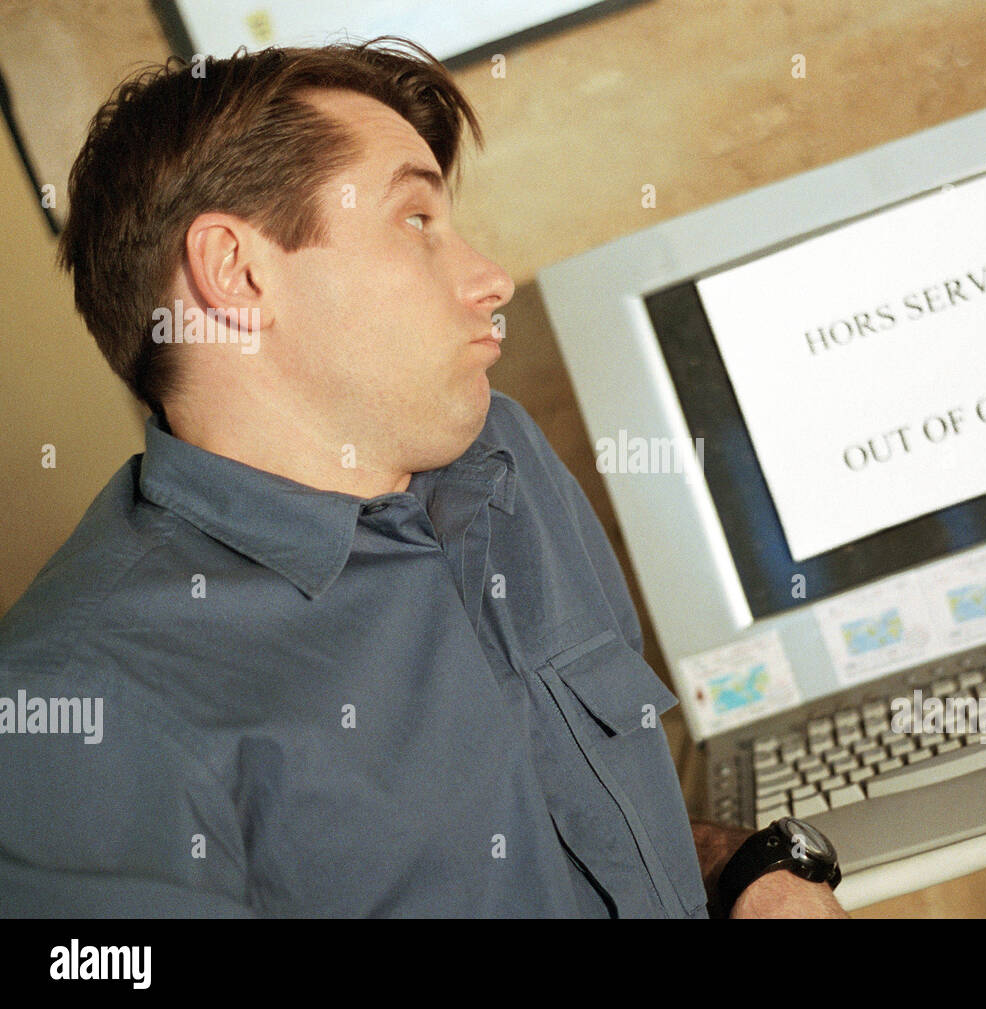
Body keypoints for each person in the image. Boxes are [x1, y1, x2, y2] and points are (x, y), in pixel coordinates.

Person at [0, 37, 846, 918]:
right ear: (237, 274)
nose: (489, 279)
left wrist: (746, 870)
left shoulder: (501, 457)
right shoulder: (72, 708)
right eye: (416, 221)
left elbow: (593, 830)